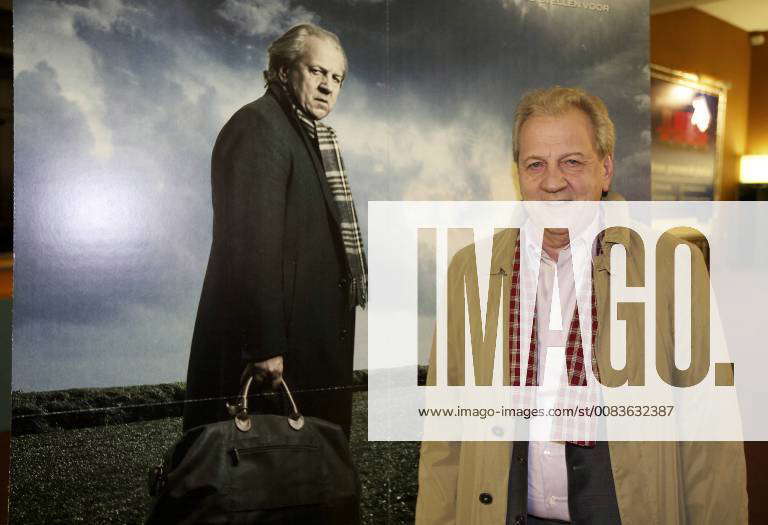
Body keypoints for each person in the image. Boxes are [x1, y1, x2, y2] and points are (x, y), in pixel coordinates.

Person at [415, 87, 748, 524]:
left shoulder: (673, 270)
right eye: (536, 164)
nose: (553, 182)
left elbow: (710, 442)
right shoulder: (470, 271)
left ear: (606, 168)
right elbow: (445, 436)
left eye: (572, 161)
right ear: (518, 173)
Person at [183, 24, 366, 439]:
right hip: (273, 354)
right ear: (283, 71)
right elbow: (250, 244)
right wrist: (264, 346)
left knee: (305, 474)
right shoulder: (260, 127)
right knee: (264, 478)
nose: (327, 87)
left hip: (302, 343)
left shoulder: (309, 137)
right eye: (317, 71)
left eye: (337, 78)